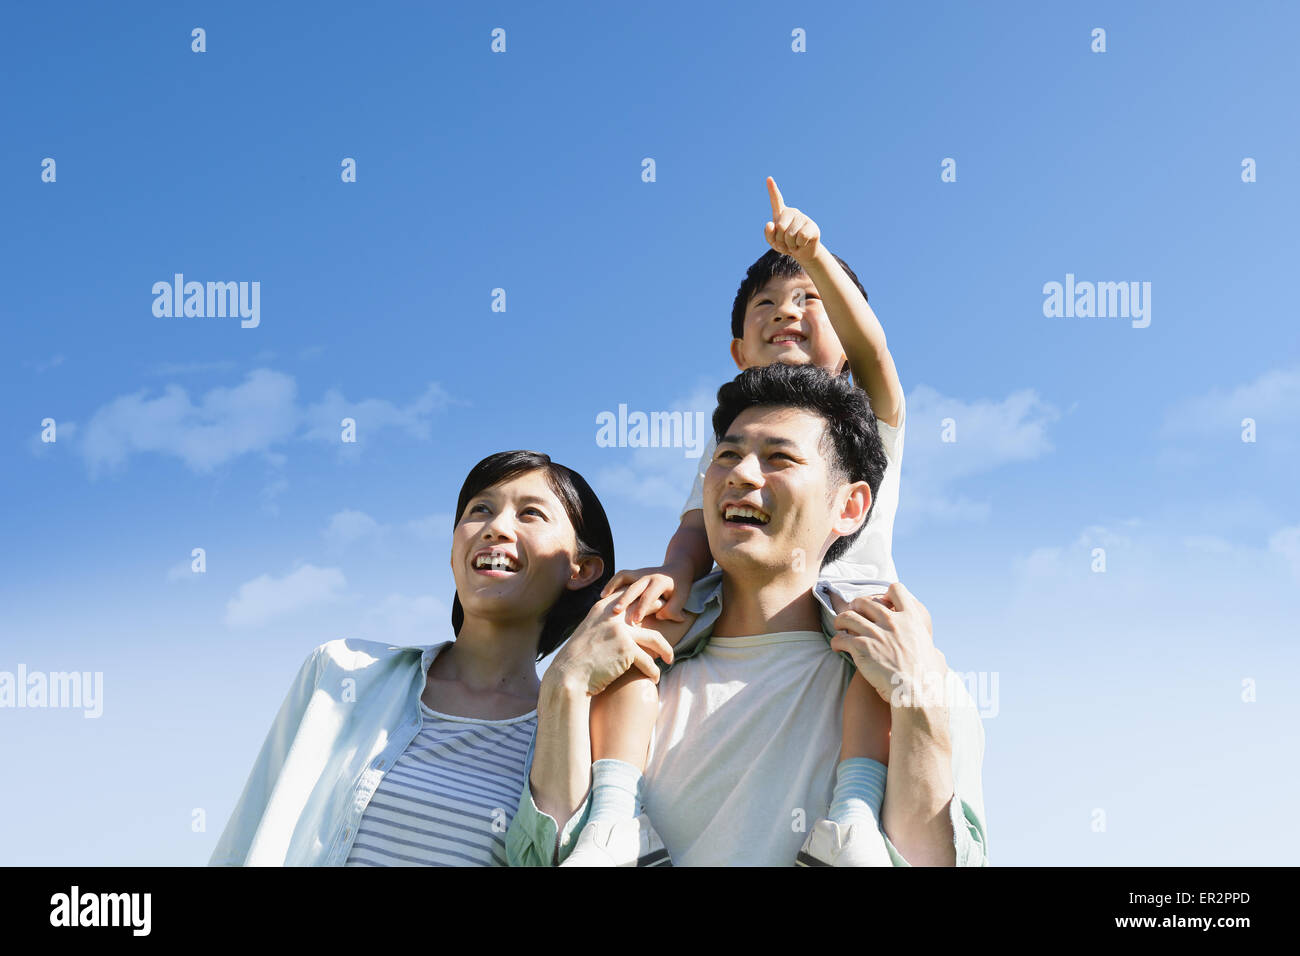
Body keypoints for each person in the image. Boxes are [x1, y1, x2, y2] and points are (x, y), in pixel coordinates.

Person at [507, 364, 988, 867]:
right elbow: (538, 857)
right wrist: (564, 681)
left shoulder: (903, 676)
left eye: (779, 456)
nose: (741, 474)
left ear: (849, 507)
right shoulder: (618, 664)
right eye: (727, 455)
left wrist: (920, 705)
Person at [568, 177, 907, 864]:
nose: (787, 310)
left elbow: (873, 354)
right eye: (767, 304)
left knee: (891, 636)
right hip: (737, 596)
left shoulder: (863, 418)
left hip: (847, 594)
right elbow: (696, 526)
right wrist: (672, 578)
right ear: (738, 353)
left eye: (811, 300)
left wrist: (815, 255)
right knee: (640, 630)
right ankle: (612, 814)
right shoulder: (735, 433)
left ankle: (851, 814)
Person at [208, 450, 617, 866]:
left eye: (530, 514)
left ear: (581, 569)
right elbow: (247, 835)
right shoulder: (340, 672)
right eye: (480, 509)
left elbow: (555, 858)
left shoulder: (579, 734)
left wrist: (568, 681)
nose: (495, 528)